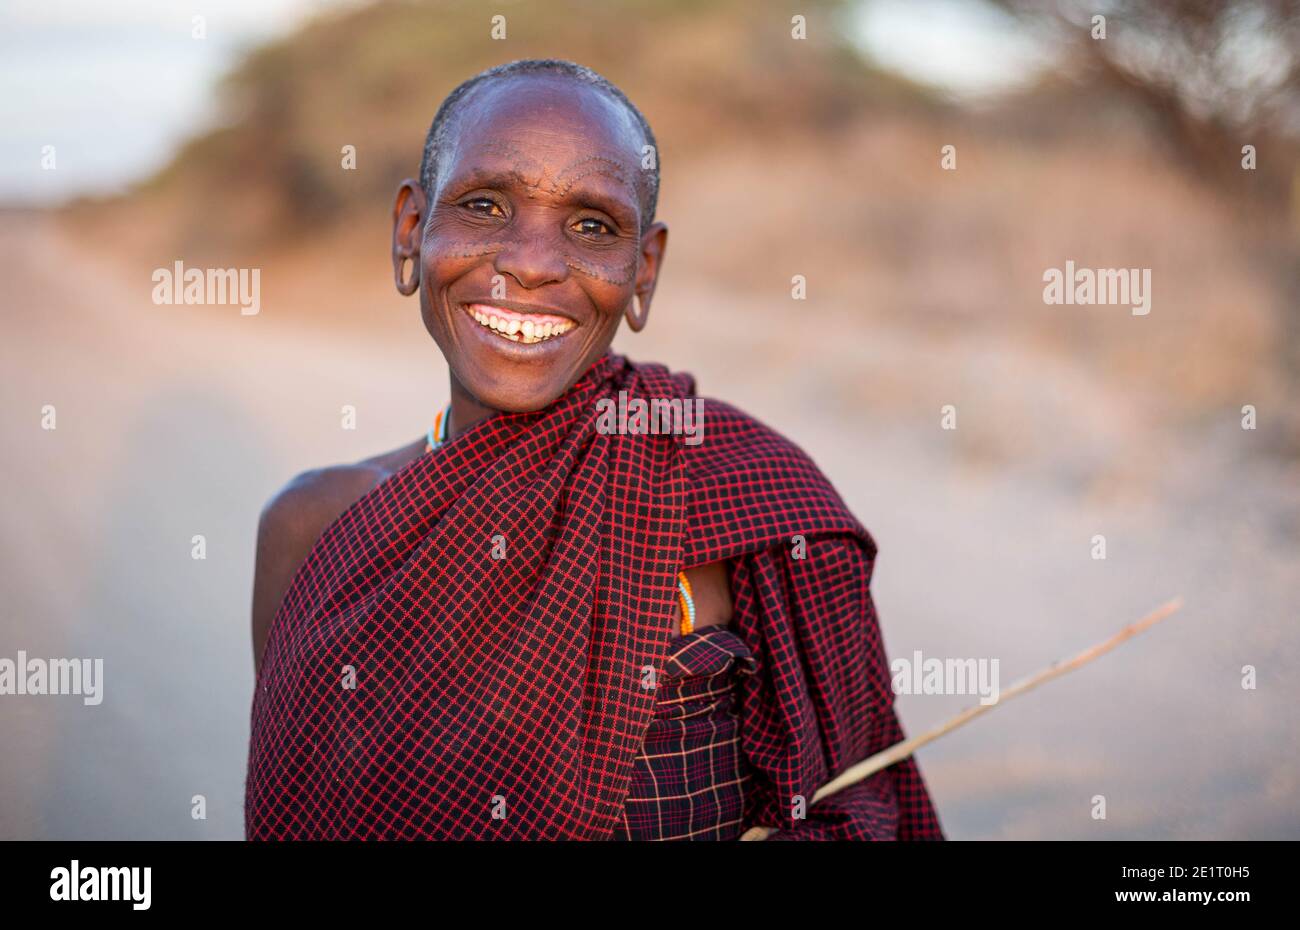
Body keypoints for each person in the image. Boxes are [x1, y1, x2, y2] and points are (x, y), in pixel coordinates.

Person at [245, 58, 943, 841]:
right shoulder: (318, 530)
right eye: (483, 204)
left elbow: (861, 809)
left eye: (592, 226)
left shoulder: (746, 495)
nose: (534, 263)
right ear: (412, 231)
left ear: (642, 271)